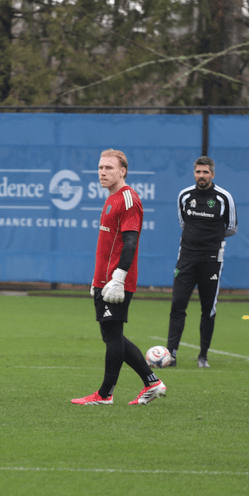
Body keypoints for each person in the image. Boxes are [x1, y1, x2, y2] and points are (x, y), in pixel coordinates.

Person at [72, 149, 166, 406]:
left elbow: (130, 242)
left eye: (109, 168)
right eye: (100, 167)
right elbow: (106, 246)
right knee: (111, 336)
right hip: (104, 281)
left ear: (122, 171)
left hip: (117, 282)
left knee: (113, 336)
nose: (103, 172)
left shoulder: (128, 199)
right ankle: (152, 383)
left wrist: (118, 278)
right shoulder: (111, 198)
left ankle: (104, 395)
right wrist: (97, 280)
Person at [166, 155, 237, 368]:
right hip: (186, 259)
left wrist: (210, 240)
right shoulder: (185, 196)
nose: (201, 176)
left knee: (208, 308)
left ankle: (203, 356)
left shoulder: (224, 198)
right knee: (178, 305)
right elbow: (183, 224)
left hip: (212, 260)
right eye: (198, 172)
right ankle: (171, 354)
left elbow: (231, 227)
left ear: (212, 174)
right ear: (194, 173)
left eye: (206, 172)